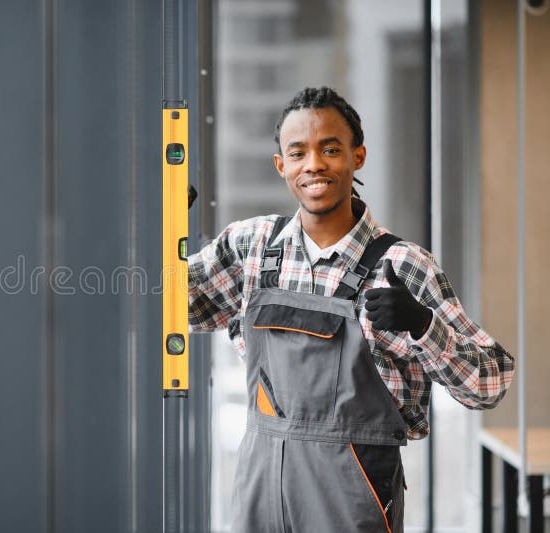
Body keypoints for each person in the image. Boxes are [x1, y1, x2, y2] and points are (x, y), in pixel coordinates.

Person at [188, 86, 514, 533]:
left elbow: (488, 385)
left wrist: (423, 325)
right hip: (260, 483)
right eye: (298, 152)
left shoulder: (401, 265)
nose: (314, 165)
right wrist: (165, 225)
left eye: (331, 149)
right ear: (281, 166)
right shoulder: (252, 245)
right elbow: (176, 307)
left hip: (352, 489)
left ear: (357, 157)